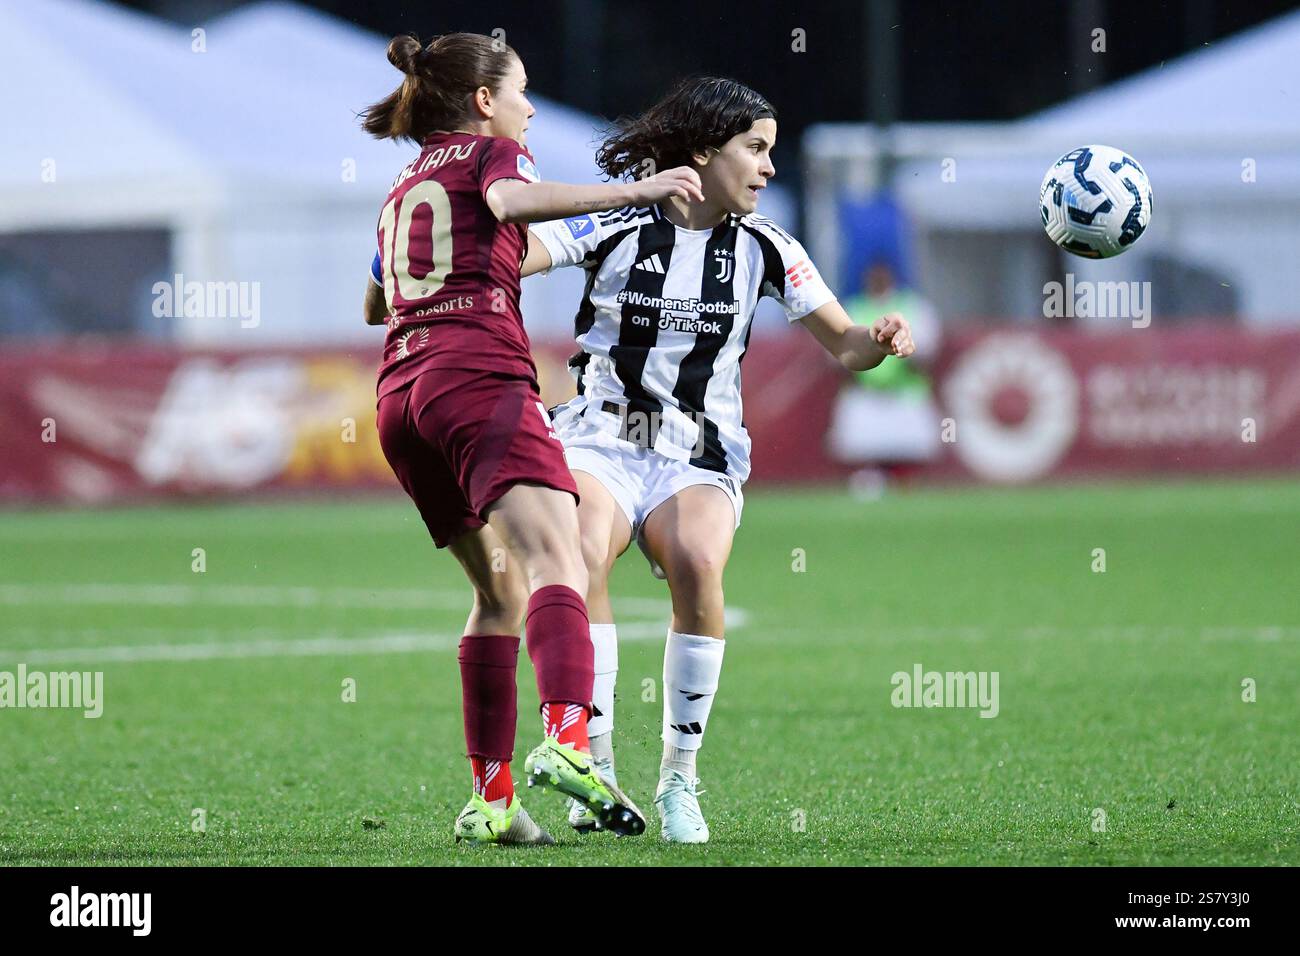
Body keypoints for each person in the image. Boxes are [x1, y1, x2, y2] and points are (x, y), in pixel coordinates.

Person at [522, 76, 915, 843]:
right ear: (704, 151)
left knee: (700, 562)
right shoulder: (615, 224)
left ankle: (679, 780)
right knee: (578, 553)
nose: (769, 168)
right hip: (601, 436)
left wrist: (881, 338)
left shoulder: (769, 247)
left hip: (696, 451)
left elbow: (845, 343)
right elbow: (523, 253)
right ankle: (594, 771)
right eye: (755, 149)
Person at [359, 33, 705, 846]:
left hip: (401, 396)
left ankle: (492, 800)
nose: (530, 107)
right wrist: (645, 188)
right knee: (562, 563)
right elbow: (513, 204)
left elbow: (375, 303)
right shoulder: (491, 156)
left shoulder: (404, 184)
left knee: (497, 596)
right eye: (521, 91)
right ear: (483, 101)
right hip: (477, 377)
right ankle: (570, 744)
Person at [828, 258, 943, 495]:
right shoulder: (853, 307)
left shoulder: (913, 308)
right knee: (863, 451)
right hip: (867, 393)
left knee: (909, 452)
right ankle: (871, 480)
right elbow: (838, 353)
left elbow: (925, 356)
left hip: (904, 392)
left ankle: (904, 483)